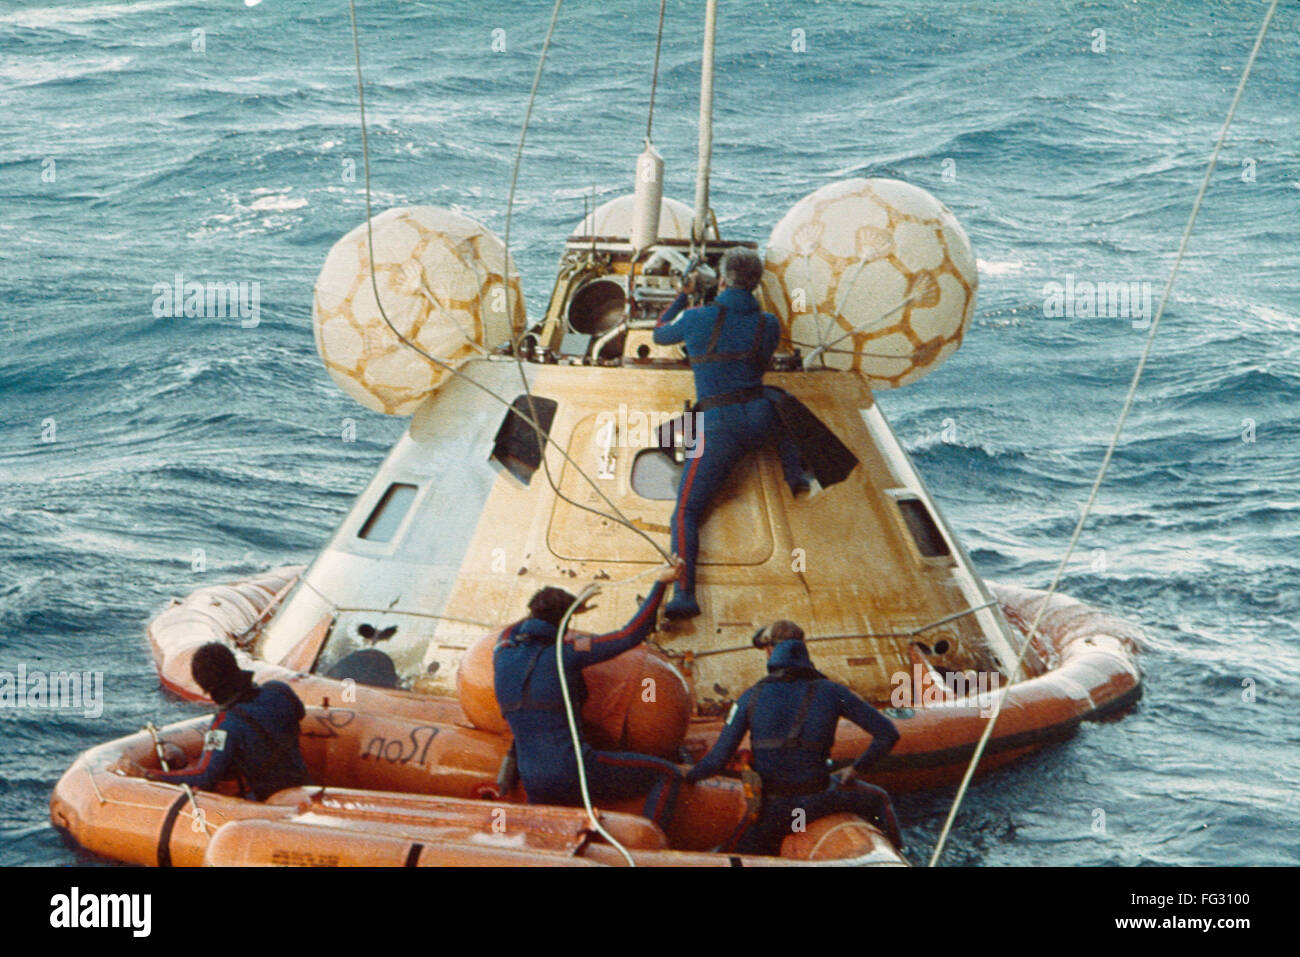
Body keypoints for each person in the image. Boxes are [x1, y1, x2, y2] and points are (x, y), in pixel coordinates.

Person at [653, 247, 807, 619]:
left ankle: (685, 596)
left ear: (722, 280)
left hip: (720, 425)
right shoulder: (769, 324)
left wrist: (683, 296)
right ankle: (795, 473)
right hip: (760, 418)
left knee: (685, 512)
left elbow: (659, 335)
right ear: (755, 283)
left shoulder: (695, 317)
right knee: (776, 402)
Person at [684, 620, 903, 855]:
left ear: (770, 651)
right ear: (802, 649)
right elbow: (887, 734)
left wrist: (686, 776)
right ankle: (893, 855)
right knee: (879, 798)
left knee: (731, 853)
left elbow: (717, 759)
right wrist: (856, 769)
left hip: (773, 811)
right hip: (817, 802)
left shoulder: (750, 697)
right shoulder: (832, 691)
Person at [493, 562, 684, 831]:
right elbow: (629, 635)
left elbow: (514, 628)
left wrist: (566, 607)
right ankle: (649, 845)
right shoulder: (567, 653)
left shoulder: (502, 651)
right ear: (565, 622)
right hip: (575, 770)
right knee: (668, 773)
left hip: (533, 781)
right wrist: (661, 583)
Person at [144, 642, 310, 801]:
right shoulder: (279, 690)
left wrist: (149, 774)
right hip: (307, 789)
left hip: (271, 803)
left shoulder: (225, 725)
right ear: (235, 667)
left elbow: (205, 777)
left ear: (207, 688)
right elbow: (299, 713)